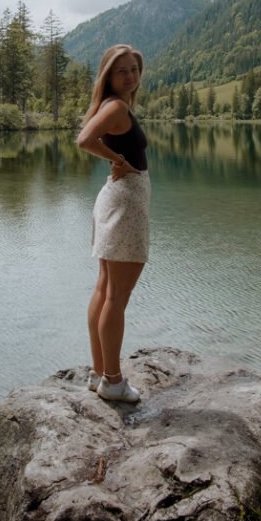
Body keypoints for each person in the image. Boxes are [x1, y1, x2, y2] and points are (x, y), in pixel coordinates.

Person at [76, 44, 150, 402]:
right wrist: (118, 158)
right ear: (109, 75)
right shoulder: (117, 106)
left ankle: (99, 373)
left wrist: (116, 160)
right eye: (122, 70)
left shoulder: (111, 105)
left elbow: (90, 139)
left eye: (134, 69)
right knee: (116, 296)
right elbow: (84, 140)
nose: (130, 76)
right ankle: (114, 381)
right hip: (126, 204)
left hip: (116, 200)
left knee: (105, 291)